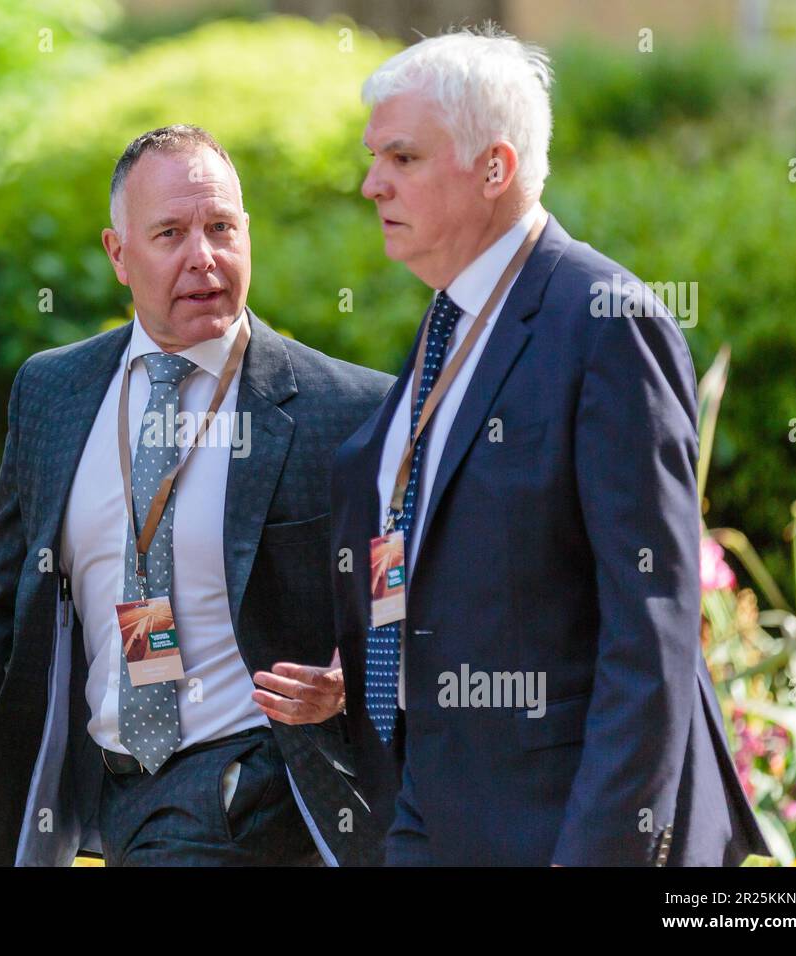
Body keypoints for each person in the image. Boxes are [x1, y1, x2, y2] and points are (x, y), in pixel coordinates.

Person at [274, 26, 767, 866]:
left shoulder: (606, 320)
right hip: (423, 808)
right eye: (374, 158)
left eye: (402, 158)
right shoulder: (450, 316)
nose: (370, 184)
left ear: (494, 168)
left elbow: (651, 624)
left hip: (558, 827)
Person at [0, 125, 392, 865]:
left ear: (247, 234)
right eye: (170, 233)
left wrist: (356, 672)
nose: (202, 257)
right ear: (118, 255)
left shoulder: (342, 407)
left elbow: (404, 589)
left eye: (220, 228)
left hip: (245, 785)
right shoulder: (53, 392)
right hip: (104, 789)